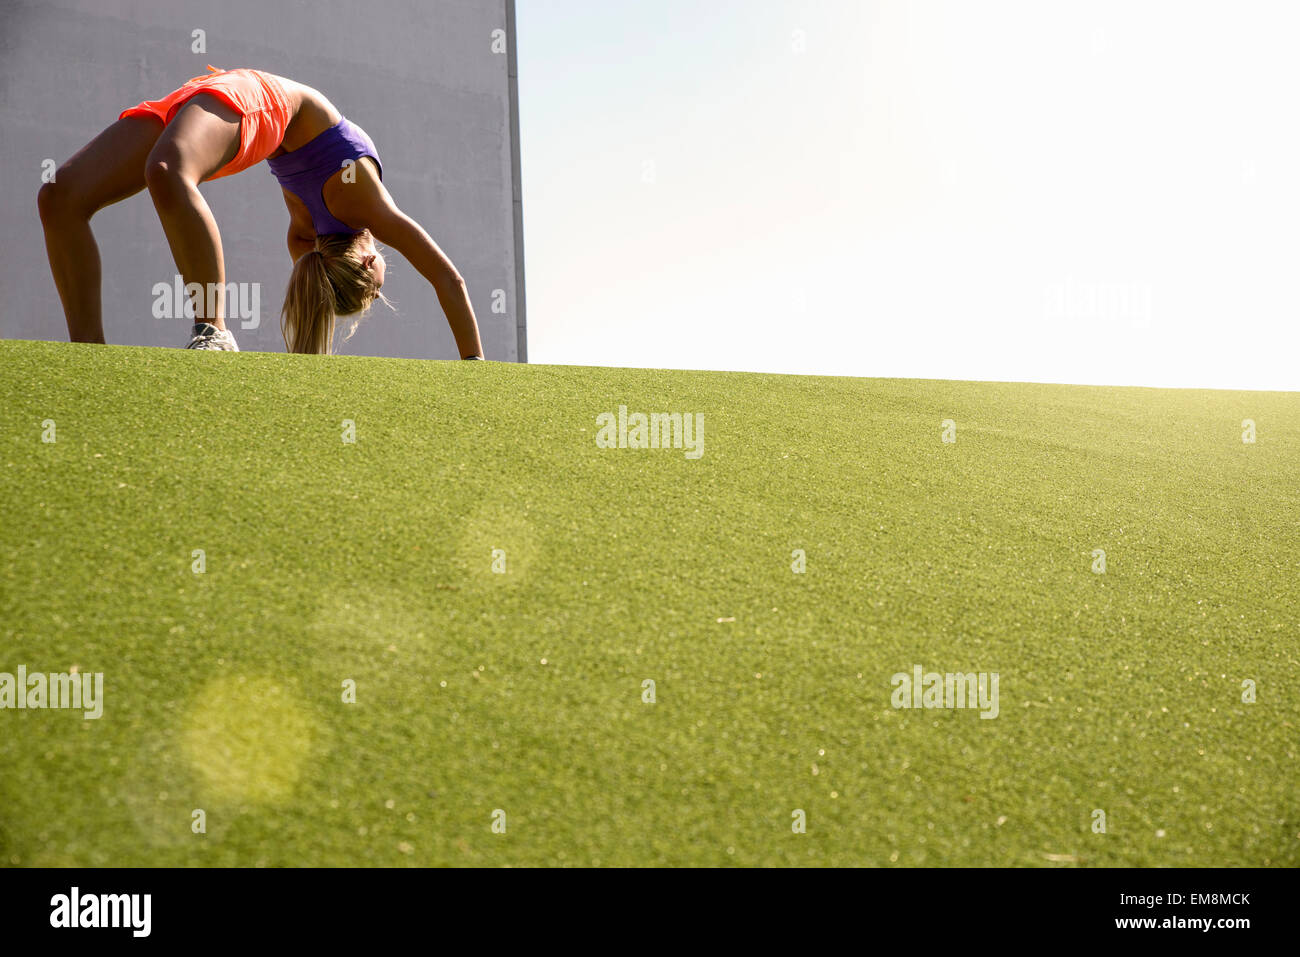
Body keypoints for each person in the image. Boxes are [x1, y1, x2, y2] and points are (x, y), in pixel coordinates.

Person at [37, 66, 485, 357]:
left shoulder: (306, 238)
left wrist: (474, 360)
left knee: (60, 196)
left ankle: (87, 355)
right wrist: (477, 371)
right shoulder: (365, 206)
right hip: (258, 99)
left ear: (369, 261)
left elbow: (448, 279)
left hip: (224, 96)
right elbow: (449, 279)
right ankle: (213, 330)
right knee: (167, 169)